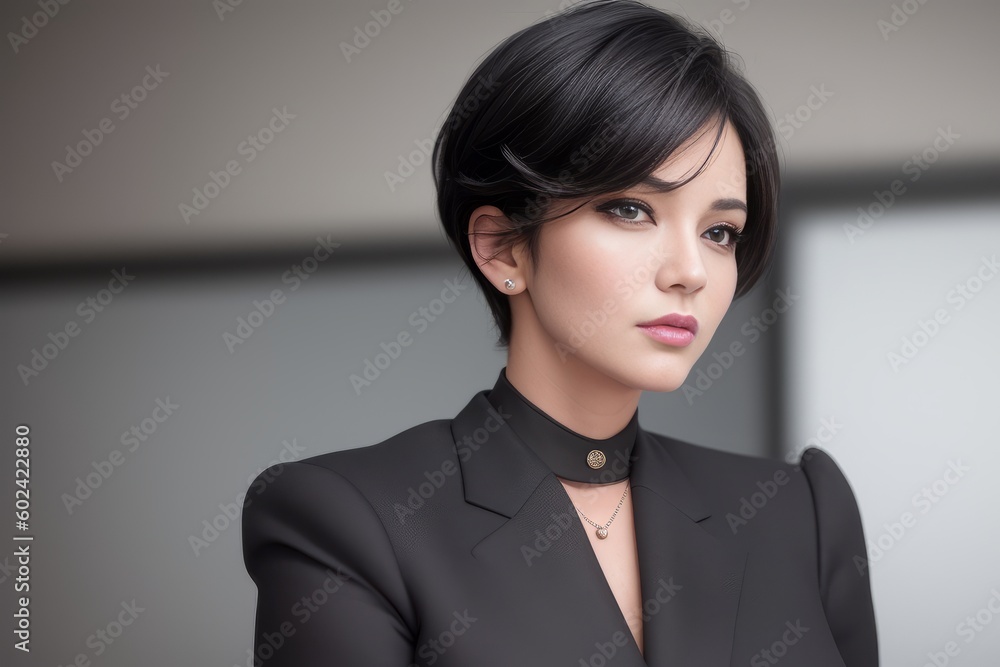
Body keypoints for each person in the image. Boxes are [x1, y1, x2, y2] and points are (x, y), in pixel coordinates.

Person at [240, 1, 879, 665]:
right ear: (503, 249)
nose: (691, 271)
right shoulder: (347, 520)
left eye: (719, 232)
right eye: (631, 210)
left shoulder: (796, 515)